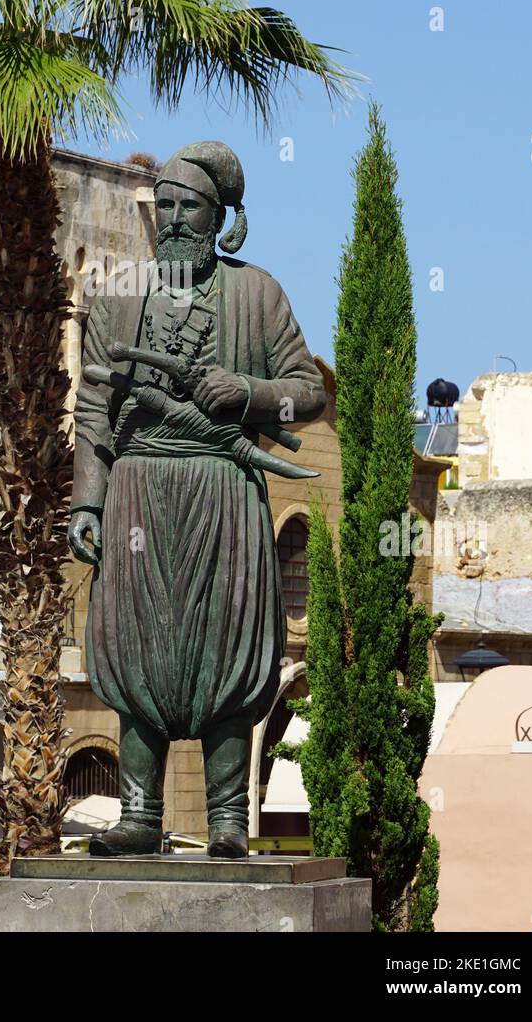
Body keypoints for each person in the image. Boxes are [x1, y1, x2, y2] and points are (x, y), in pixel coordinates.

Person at [68, 141, 326, 859]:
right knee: (137, 643)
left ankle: (227, 819)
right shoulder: (120, 298)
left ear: (221, 219)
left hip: (224, 488)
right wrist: (87, 503)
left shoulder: (258, 294)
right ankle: (141, 815)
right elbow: (94, 406)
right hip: (139, 490)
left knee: (227, 646)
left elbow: (307, 394)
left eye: (192, 210)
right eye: (168, 209)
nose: (177, 222)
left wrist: (249, 392)